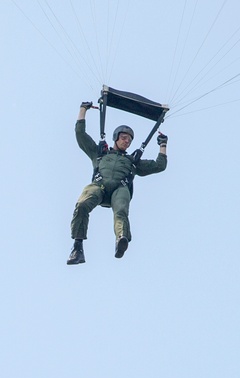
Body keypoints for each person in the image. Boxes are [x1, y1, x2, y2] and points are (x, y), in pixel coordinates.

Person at [67, 101, 168, 264]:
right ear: (116, 138)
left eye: (129, 140)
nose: (127, 141)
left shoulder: (132, 162)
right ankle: (77, 248)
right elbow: (80, 134)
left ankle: (121, 239)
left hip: (120, 189)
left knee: (121, 210)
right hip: (99, 186)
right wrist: (83, 109)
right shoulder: (99, 153)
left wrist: (163, 145)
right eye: (124, 138)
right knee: (82, 204)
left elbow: (159, 165)